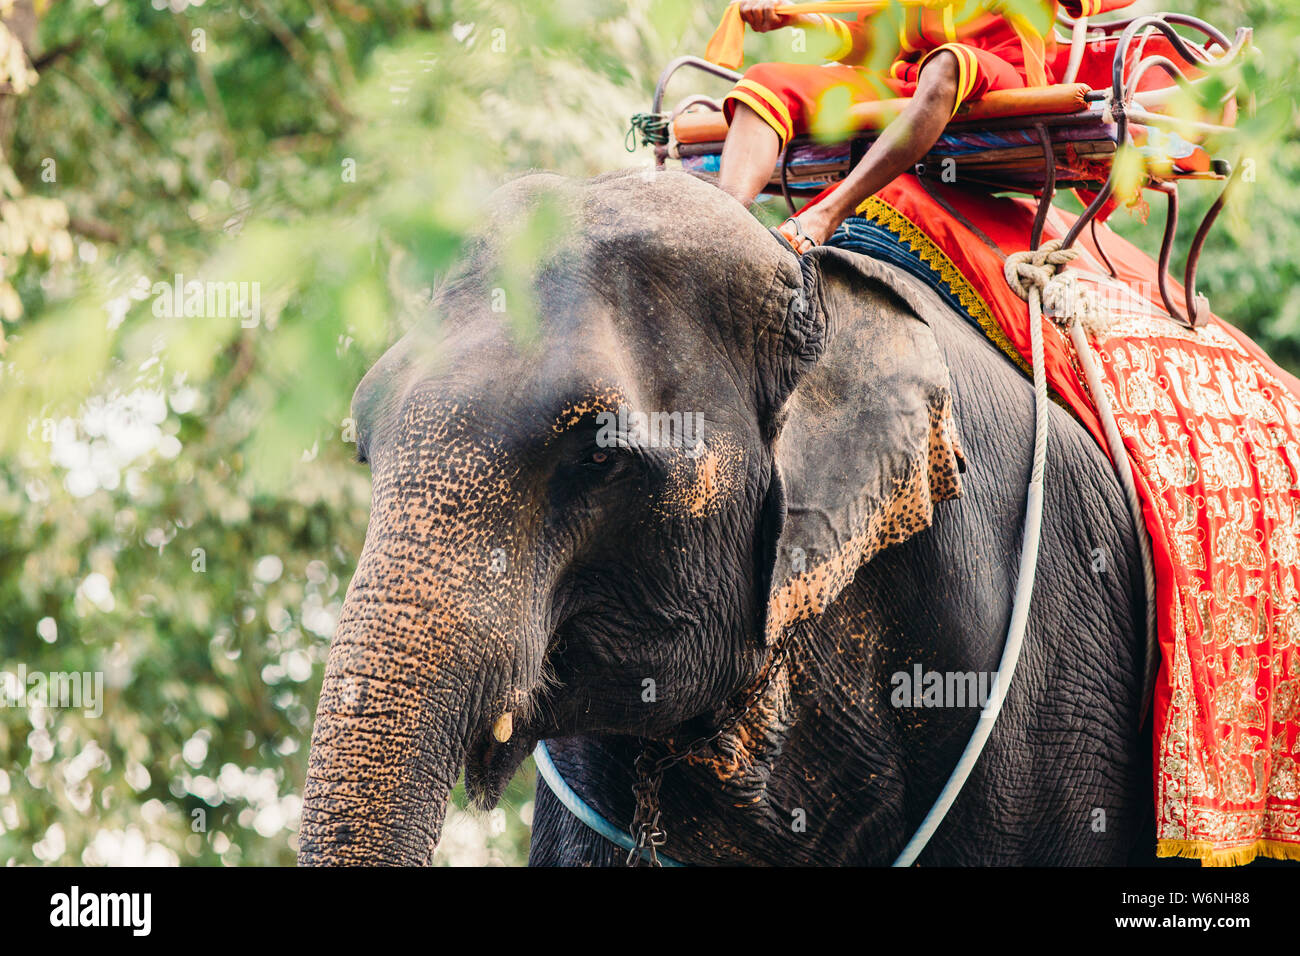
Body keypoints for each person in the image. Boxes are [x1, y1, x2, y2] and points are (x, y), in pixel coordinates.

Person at [716, 0, 1134, 253]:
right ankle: (721, 227)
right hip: (909, 80)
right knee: (764, 80)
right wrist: (793, 20)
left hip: (1000, 74)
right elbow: (873, 44)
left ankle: (823, 217)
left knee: (948, 63)